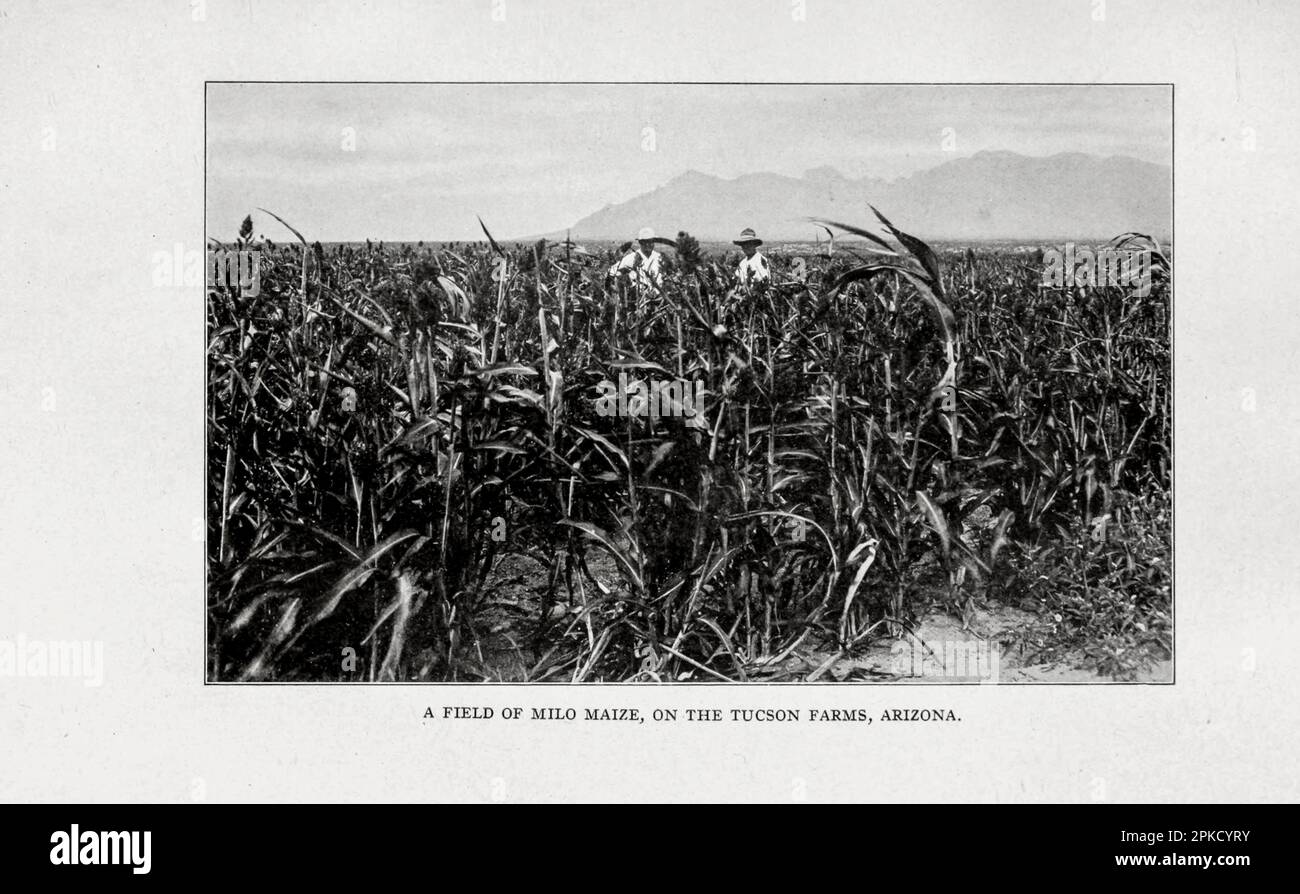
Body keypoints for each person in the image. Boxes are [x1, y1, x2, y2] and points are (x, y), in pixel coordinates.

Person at [608, 226, 664, 293]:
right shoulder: (631, 257)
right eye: (644, 242)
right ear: (640, 242)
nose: (647, 244)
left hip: (660, 297)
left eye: (650, 241)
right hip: (638, 298)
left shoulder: (659, 257)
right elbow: (613, 271)